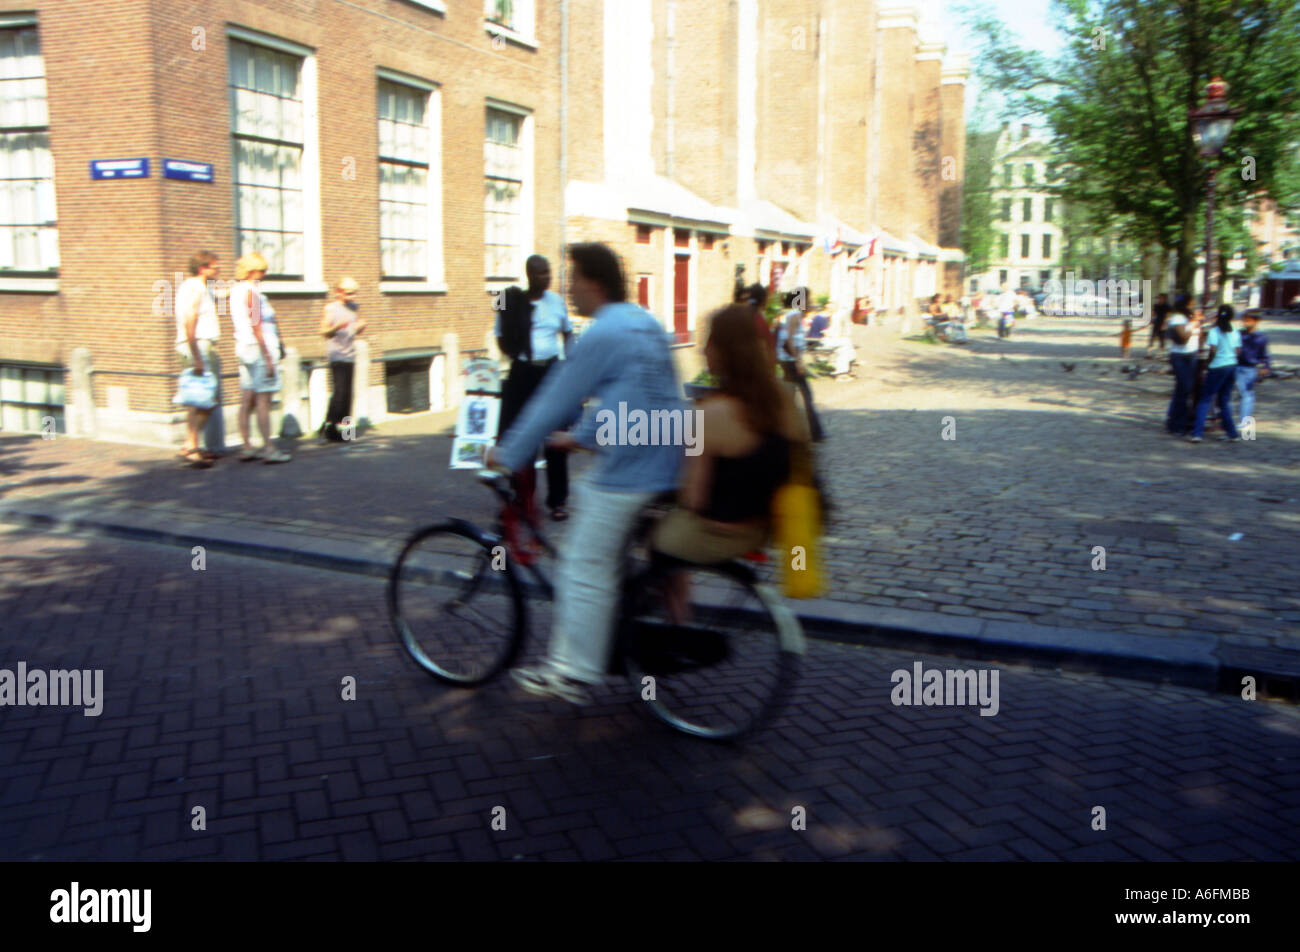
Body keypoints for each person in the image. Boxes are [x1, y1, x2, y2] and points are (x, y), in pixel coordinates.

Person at [484, 243, 683, 705]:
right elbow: (643, 394)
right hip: (669, 458)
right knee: (609, 556)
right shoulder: (646, 323)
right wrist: (584, 434)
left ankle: (573, 672)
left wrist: (509, 452)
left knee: (580, 561)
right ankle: (622, 632)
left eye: (573, 278)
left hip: (631, 471)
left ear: (593, 282)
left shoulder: (602, 332)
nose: (568, 287)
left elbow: (553, 399)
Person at [651, 304, 809, 620]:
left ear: (723, 352)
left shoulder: (706, 414)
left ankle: (676, 621)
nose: (702, 350)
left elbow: (693, 498)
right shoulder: (786, 398)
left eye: (709, 342)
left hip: (719, 532)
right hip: (765, 526)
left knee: (658, 543)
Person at [495, 254, 574, 522]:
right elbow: (499, 331)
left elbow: (568, 332)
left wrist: (570, 363)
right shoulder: (510, 298)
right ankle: (522, 498)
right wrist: (514, 355)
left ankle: (558, 501)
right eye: (541, 273)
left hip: (551, 372)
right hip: (522, 373)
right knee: (523, 436)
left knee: (555, 438)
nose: (547, 277)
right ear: (529, 275)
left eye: (548, 272)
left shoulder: (556, 302)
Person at [230, 252, 291, 463]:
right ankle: (269, 448)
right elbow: (257, 325)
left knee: (247, 399)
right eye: (262, 270)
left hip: (244, 347)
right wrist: (267, 355)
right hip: (259, 348)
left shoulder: (236, 291)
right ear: (252, 271)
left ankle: (247, 446)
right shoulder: (251, 293)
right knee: (264, 400)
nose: (264, 274)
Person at [175, 250, 222, 467]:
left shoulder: (200, 287)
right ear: (203, 268)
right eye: (214, 266)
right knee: (205, 400)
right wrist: (197, 357)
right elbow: (189, 321)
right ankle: (191, 446)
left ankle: (190, 445)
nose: (218, 269)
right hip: (198, 347)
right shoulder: (195, 288)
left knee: (198, 401)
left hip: (198, 347)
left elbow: (222, 294)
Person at [318, 277, 366, 443]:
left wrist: (360, 326)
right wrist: (335, 327)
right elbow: (324, 332)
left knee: (348, 394)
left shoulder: (354, 307)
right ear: (338, 292)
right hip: (337, 355)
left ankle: (344, 432)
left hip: (350, 354)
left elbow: (354, 329)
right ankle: (329, 429)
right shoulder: (331, 309)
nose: (353, 296)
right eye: (349, 293)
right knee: (339, 393)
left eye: (354, 293)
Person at [776, 288, 825, 442]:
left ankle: (783, 430)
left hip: (787, 360)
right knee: (806, 395)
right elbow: (789, 339)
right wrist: (798, 361)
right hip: (791, 361)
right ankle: (815, 432)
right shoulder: (794, 315)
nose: (810, 302)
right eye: (808, 299)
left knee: (790, 396)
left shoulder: (790, 314)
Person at [1189, 304, 1241, 443]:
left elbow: (1212, 351)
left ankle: (1197, 433)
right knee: (1224, 401)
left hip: (1217, 367)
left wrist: (1208, 365)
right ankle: (1232, 433)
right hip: (1232, 366)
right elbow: (1238, 351)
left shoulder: (1214, 331)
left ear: (1218, 315)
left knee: (1205, 399)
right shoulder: (1235, 331)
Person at [1164, 294, 1199, 437]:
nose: (1193, 307)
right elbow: (1183, 338)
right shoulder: (1177, 318)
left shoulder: (1186, 318)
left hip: (1191, 355)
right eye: (1191, 304)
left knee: (1182, 389)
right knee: (1184, 389)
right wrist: (1194, 323)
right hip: (1180, 356)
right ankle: (1178, 424)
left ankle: (1173, 421)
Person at [1233, 310, 1271, 430]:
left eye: (1248, 320)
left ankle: (1245, 421)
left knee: (1246, 394)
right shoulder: (1239, 334)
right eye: (1244, 320)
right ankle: (1243, 419)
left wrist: (1266, 366)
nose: (1245, 322)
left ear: (1256, 321)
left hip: (1250, 368)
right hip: (1237, 365)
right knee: (1242, 394)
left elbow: (1265, 354)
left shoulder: (1261, 337)